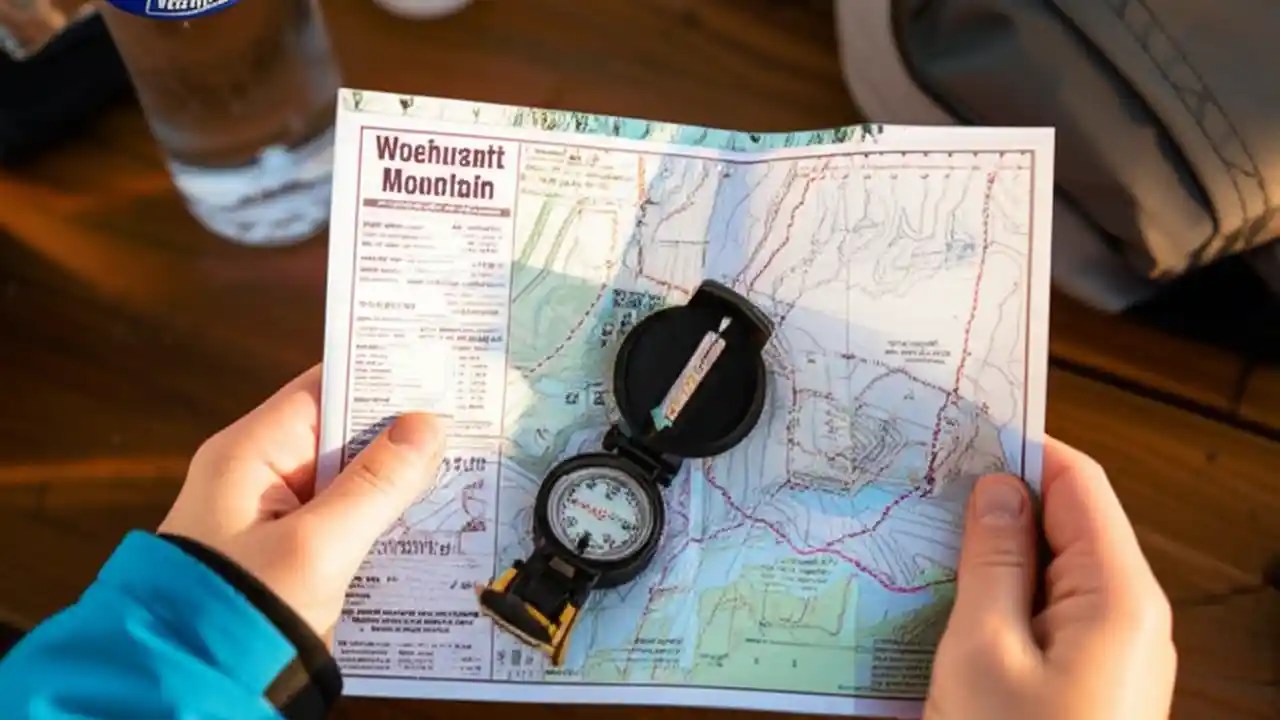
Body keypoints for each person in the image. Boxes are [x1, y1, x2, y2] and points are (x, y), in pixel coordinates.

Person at [0, 364, 1177, 719]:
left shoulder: (610, 498)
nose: (604, 520)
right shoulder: (598, 510)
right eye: (602, 514)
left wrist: (196, 636)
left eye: (612, 519)